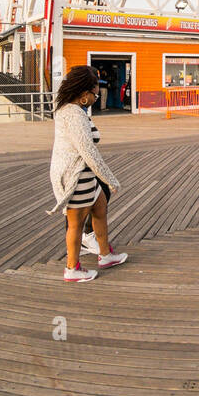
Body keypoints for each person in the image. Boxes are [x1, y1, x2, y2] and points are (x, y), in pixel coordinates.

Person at [49, 65, 128, 283]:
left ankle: (105, 255)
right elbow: (89, 151)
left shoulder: (75, 110)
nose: (96, 97)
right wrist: (109, 179)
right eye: (94, 93)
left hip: (84, 172)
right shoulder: (73, 116)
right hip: (75, 175)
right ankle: (72, 268)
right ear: (84, 95)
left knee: (100, 207)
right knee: (75, 224)